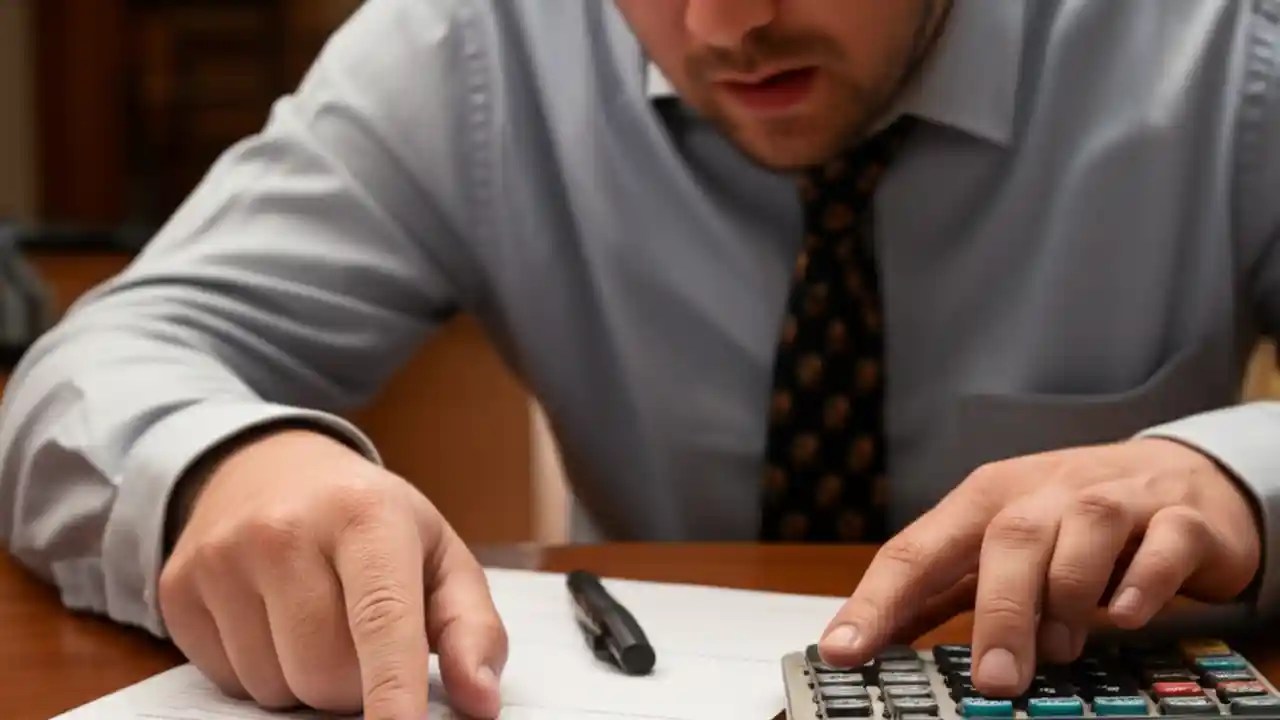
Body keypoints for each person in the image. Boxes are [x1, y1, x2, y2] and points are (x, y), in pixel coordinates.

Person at [1, 0, 1278, 717]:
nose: (723, 22)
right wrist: (228, 467)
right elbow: (110, 357)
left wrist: (1231, 484)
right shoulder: (476, 47)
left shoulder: (1228, 43)